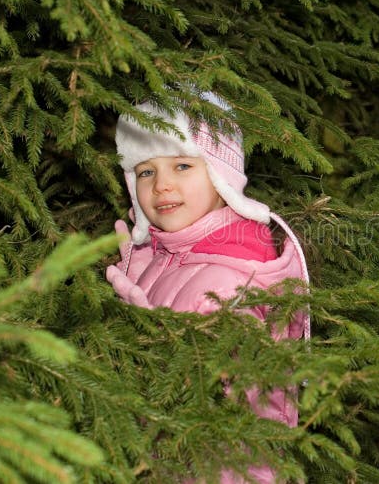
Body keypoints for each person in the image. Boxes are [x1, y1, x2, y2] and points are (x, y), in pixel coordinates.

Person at [104, 92, 309, 483]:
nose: (162, 185)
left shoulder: (232, 284)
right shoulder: (168, 256)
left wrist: (157, 339)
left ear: (221, 177)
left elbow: (243, 420)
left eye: (182, 165)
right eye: (145, 171)